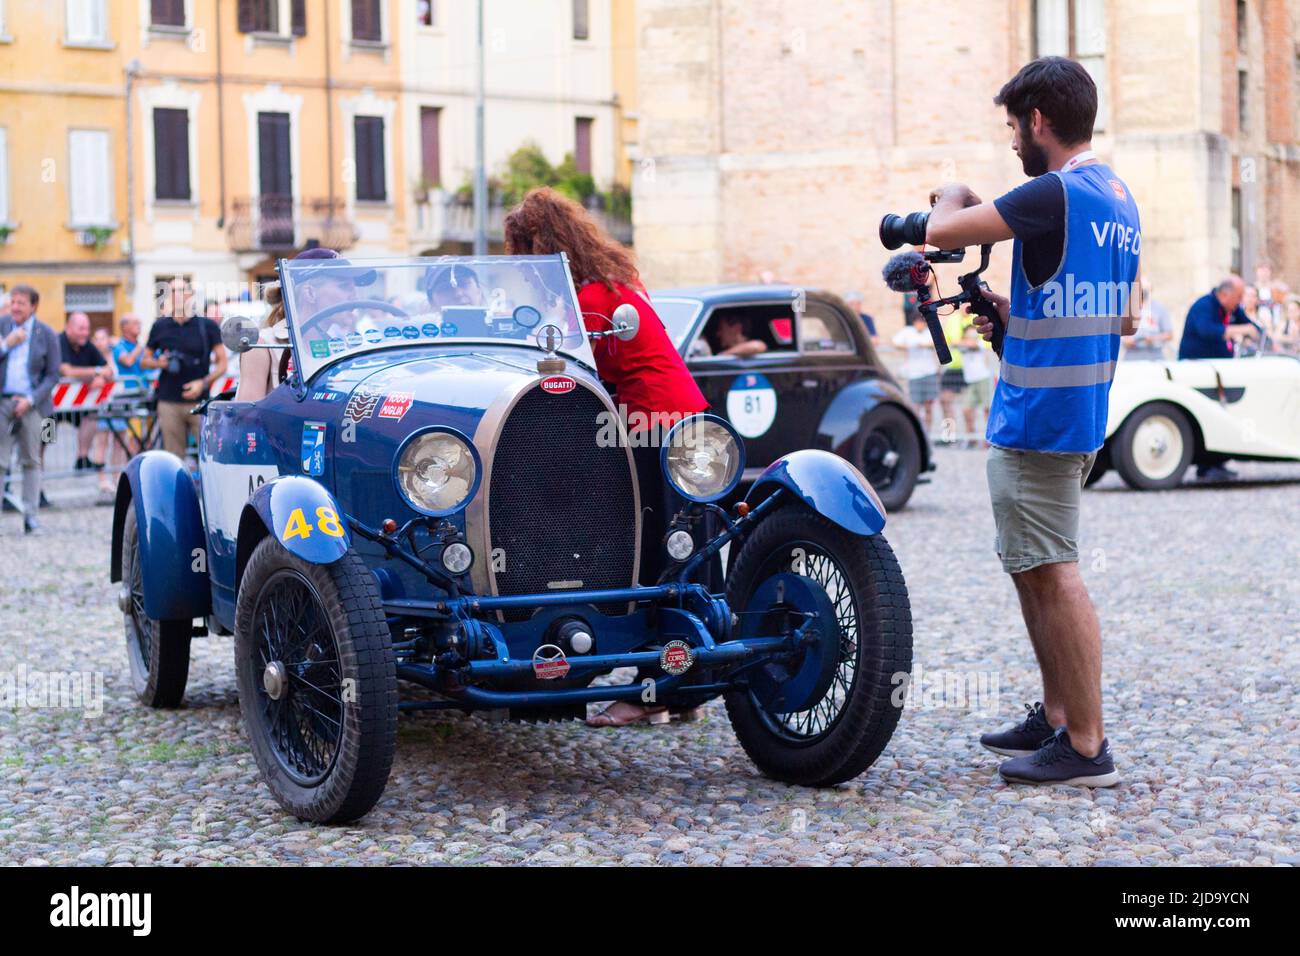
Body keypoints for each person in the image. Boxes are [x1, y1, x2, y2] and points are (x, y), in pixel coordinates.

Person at [924, 56, 1140, 787]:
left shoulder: (1053, 193)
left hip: (1042, 418)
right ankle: (1057, 715)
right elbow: (1120, 312)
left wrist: (946, 194)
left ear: (1039, 121)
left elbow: (942, 226)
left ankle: (1085, 746)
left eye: (1014, 125)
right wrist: (1016, 318)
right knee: (1036, 568)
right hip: (1075, 408)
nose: (1013, 139)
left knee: (1055, 574)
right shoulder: (1115, 194)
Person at [503, 186, 709, 728]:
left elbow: (572, 381)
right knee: (680, 555)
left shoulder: (587, 300)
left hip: (650, 422)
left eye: (522, 254)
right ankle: (676, 688)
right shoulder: (613, 282)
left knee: (643, 557)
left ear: (539, 247)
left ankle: (654, 694)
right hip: (682, 417)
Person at [141, 277, 227, 459]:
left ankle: (207, 488)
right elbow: (145, 360)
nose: (176, 296)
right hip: (168, 402)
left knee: (209, 454)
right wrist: (160, 363)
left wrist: (202, 384)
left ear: (190, 295)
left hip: (200, 402)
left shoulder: (207, 326)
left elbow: (222, 364)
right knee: (174, 457)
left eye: (180, 290)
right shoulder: (160, 326)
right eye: (171, 291)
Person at [0, 285, 62, 533]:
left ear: (33, 306)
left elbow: (53, 374)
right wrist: (6, 344)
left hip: (33, 405)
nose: (15, 307)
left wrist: (31, 399)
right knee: (0, 460)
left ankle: (31, 516)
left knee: (32, 460)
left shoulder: (46, 334)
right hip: (2, 402)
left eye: (21, 303)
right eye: (13, 302)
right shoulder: (3, 326)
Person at [59, 311, 114, 471]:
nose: (85, 333)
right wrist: (96, 372)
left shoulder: (87, 345)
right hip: (51, 409)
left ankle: (82, 457)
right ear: (68, 327)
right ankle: (39, 478)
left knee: (91, 416)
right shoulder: (58, 342)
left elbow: (108, 370)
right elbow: (67, 371)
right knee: (44, 441)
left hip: (78, 404)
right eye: (81, 328)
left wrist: (102, 377)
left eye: (87, 329)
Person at [1178, 276, 1255, 361]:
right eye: (1238, 297)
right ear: (1225, 294)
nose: (1240, 301)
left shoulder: (1232, 308)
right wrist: (1241, 330)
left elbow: (1249, 325)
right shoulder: (1204, 305)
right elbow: (1207, 331)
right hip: (1195, 364)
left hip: (1220, 363)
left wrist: (1260, 336)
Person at [891, 309, 940, 431]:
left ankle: (928, 432)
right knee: (916, 406)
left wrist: (924, 346)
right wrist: (909, 346)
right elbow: (895, 342)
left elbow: (937, 343)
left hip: (929, 372)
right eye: (918, 322)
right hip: (914, 374)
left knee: (929, 406)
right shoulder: (908, 332)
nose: (920, 324)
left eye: (922, 322)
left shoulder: (930, 332)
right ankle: (918, 430)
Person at [957, 323, 994, 446]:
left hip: (982, 378)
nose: (972, 336)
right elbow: (956, 343)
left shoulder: (980, 343)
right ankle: (971, 436)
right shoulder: (963, 344)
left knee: (987, 409)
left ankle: (989, 439)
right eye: (970, 334)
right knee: (966, 409)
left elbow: (972, 344)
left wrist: (967, 340)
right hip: (971, 381)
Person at [1121, 279, 1173, 360]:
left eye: (1146, 289)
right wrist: (1126, 341)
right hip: (1132, 357)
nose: (1143, 292)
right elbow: (1119, 333)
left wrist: (1153, 339)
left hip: (1155, 356)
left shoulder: (1159, 308)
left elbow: (1169, 334)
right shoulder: (1126, 308)